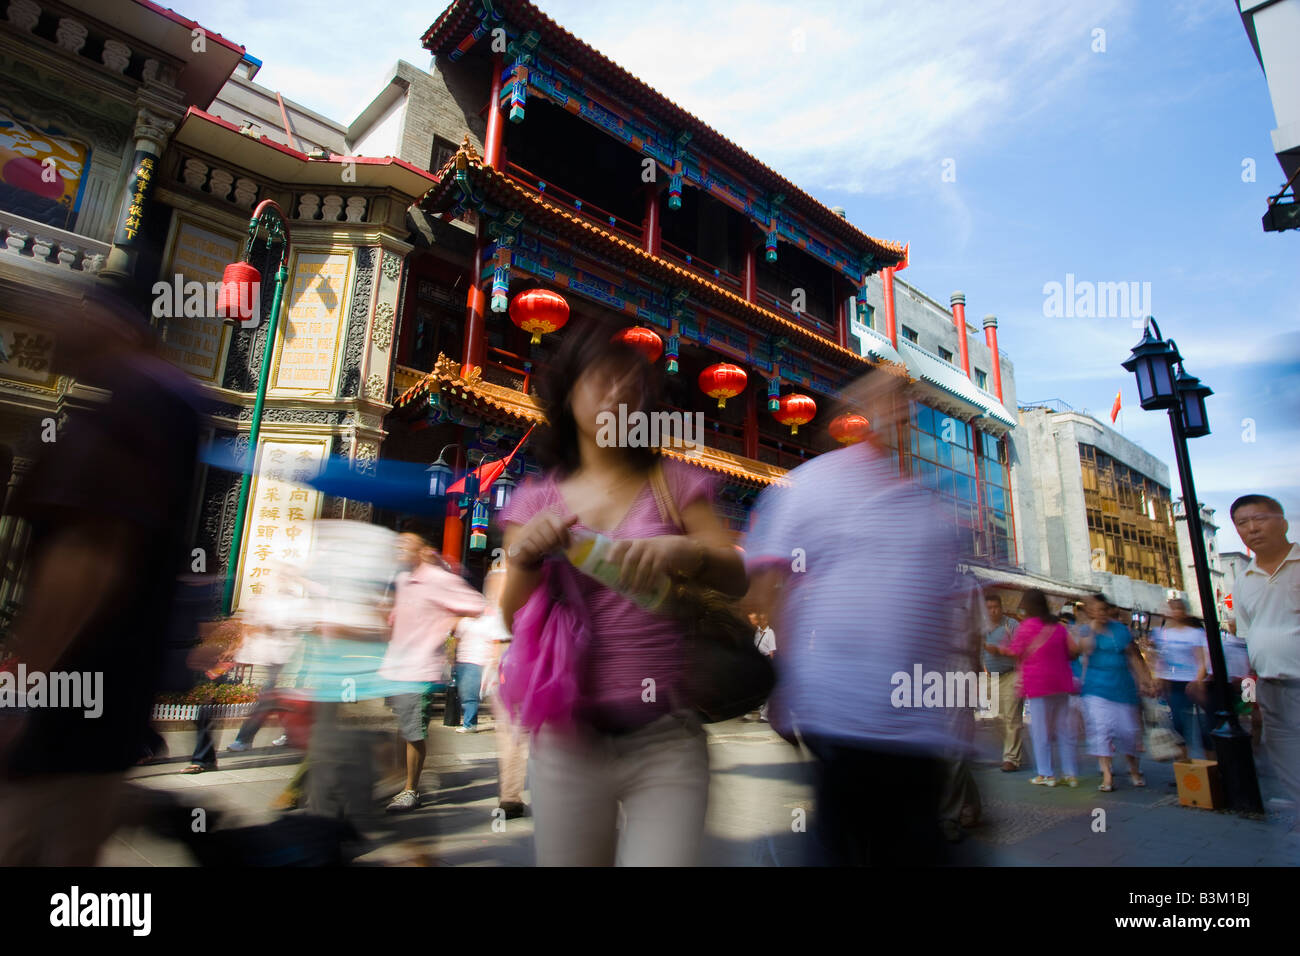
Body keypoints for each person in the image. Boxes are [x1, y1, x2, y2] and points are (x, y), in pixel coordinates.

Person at [500, 326, 746, 866]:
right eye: (602, 380)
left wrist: (688, 553)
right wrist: (524, 558)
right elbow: (512, 614)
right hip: (568, 742)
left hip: (666, 739)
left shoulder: (675, 483)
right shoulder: (537, 497)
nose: (618, 396)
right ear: (569, 393)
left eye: (633, 386)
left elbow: (736, 577)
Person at [0, 285, 202, 864]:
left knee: (33, 841)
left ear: (119, 325)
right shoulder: (161, 401)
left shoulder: (139, 399)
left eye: (76, 308)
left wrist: (23, 685)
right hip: (102, 706)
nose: (58, 319)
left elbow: (90, 551)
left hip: (68, 702)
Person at [745, 369, 959, 866]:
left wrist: (961, 715)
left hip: (919, 725)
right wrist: (782, 685)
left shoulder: (926, 508)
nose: (896, 409)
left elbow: (942, 615)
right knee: (844, 841)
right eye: (883, 397)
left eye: (904, 402)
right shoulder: (813, 484)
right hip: (839, 710)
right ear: (856, 411)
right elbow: (773, 583)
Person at [380, 533, 486, 812]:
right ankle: (401, 778)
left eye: (406, 544)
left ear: (424, 550)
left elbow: (477, 604)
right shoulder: (403, 580)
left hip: (421, 667)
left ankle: (410, 790)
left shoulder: (438, 579)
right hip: (396, 666)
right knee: (403, 728)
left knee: (414, 730)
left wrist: (447, 621)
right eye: (398, 543)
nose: (399, 547)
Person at [1230, 494, 1300, 826]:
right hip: (1272, 686)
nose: (1252, 528)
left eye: (1260, 518)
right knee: (1289, 762)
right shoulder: (1243, 581)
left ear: (1282, 521)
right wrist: (1251, 693)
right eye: (1243, 523)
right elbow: (1249, 634)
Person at [1077, 593, 1154, 792]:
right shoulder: (1086, 630)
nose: (1099, 613)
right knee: (1101, 729)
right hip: (1096, 687)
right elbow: (1085, 650)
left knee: (1128, 731)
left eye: (1102, 609)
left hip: (1122, 686)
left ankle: (1134, 769)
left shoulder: (1120, 630)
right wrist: (1092, 630)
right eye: (1094, 610)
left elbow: (1134, 657)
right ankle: (1107, 774)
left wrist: (1146, 680)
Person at [1005, 589, 1080, 788]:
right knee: (1063, 730)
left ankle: (1046, 774)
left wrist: (999, 648)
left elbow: (1015, 651)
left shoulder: (1026, 627)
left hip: (1038, 684)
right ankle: (1070, 774)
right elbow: (1073, 651)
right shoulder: (1059, 627)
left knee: (1041, 731)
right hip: (1061, 682)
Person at [477, 570, 529, 818]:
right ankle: (510, 796)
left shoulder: (500, 573)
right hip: (523, 650)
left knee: (510, 730)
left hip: (510, 652)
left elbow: (495, 623)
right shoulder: (531, 566)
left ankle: (510, 797)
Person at [1150, 598, 1211, 759]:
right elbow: (1159, 659)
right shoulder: (1163, 634)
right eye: (1173, 609)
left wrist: (1198, 680)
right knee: (1178, 725)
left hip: (1193, 682)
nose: (1176, 612)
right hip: (1174, 682)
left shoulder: (1195, 634)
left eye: (1179, 609)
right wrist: (1158, 680)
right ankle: (1185, 764)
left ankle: (1211, 764)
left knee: (1205, 725)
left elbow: (1201, 659)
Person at [982, 591, 1023, 772]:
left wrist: (999, 651)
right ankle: (1012, 752)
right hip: (991, 678)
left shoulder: (1011, 624)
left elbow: (1022, 649)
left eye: (996, 607)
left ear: (1001, 608)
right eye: (989, 608)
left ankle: (1011, 759)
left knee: (1012, 718)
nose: (993, 611)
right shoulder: (982, 629)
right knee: (999, 718)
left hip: (1011, 675)